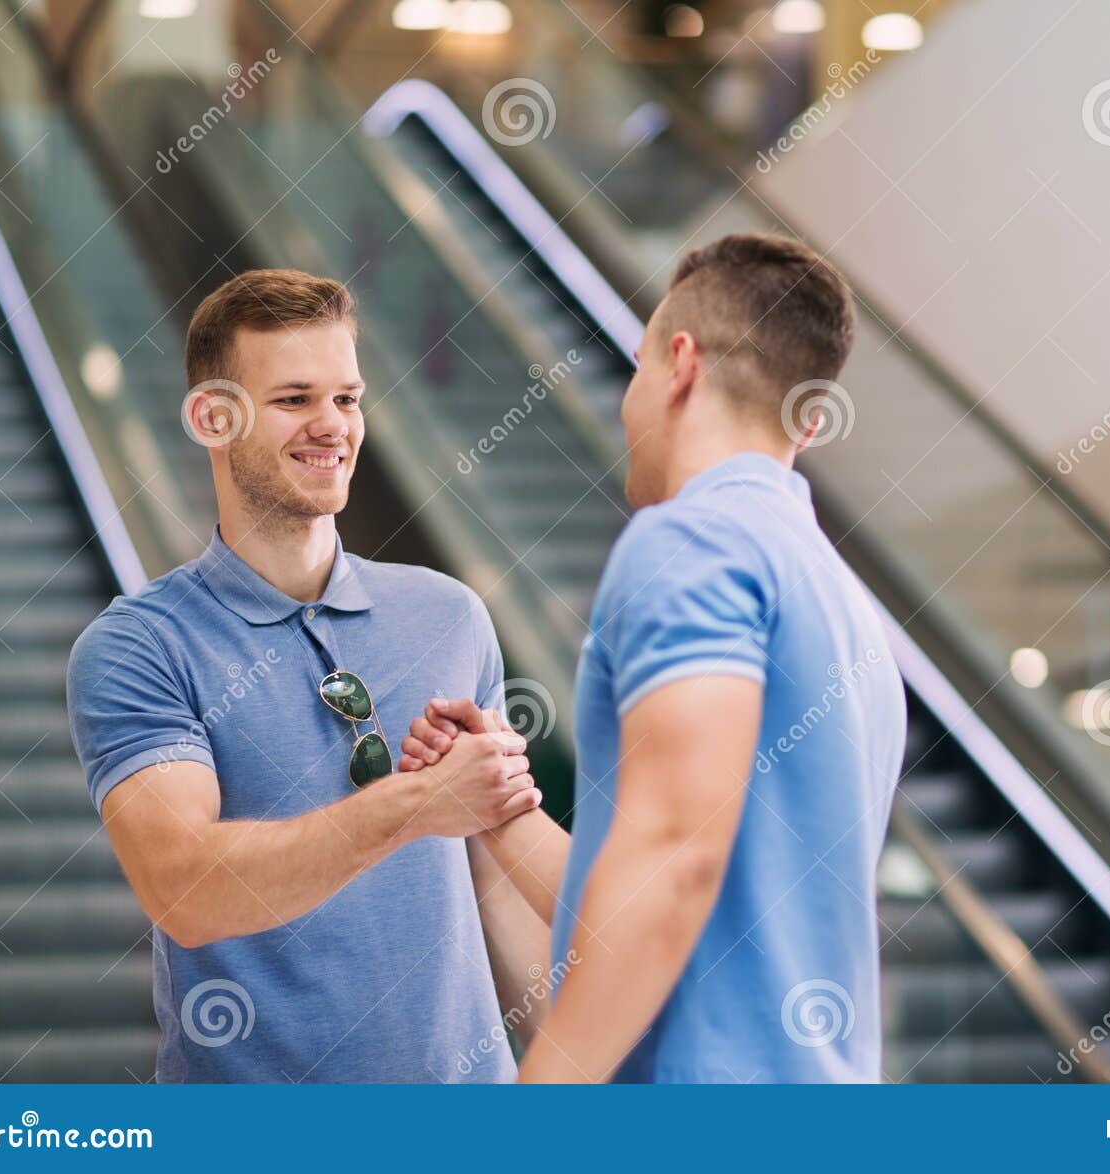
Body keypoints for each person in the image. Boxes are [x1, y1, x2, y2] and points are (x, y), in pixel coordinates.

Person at [400, 233, 906, 1083]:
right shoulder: (845, 606)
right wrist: (501, 816)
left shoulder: (693, 541)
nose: (628, 401)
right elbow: (659, 916)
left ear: (679, 364)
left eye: (634, 369)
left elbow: (673, 856)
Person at [65, 269, 551, 1082]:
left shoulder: (450, 616)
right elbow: (187, 890)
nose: (333, 426)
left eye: (348, 398)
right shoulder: (140, 649)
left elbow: (488, 884)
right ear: (213, 417)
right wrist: (418, 804)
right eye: (295, 399)